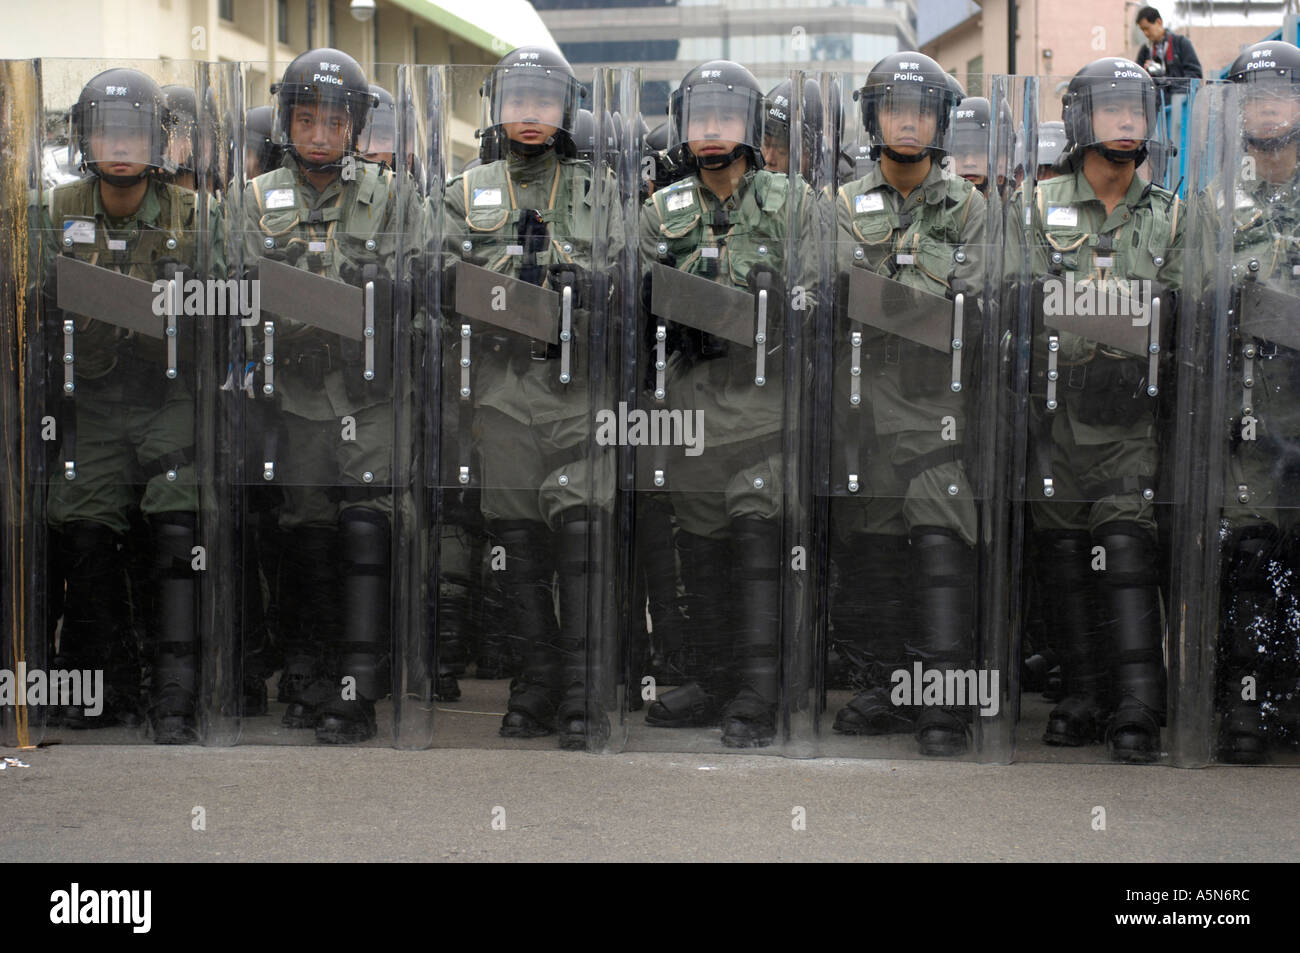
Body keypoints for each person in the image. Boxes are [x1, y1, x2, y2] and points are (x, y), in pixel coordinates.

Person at [441, 46, 623, 749]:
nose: (529, 114)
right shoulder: (465, 189)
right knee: (518, 550)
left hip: (577, 389)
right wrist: (504, 275)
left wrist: (572, 274)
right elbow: (437, 278)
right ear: (496, 107)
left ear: (565, 110)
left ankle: (582, 691)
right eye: (517, 100)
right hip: (504, 388)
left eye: (543, 101)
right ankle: (534, 684)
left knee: (580, 540)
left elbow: (625, 275)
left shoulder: (595, 189)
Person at [240, 48, 422, 743]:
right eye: (307, 120)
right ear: (287, 122)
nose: (320, 135)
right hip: (290, 394)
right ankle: (309, 672)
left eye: (334, 122)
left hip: (368, 394)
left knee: (367, 526)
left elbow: (428, 291)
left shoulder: (395, 195)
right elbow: (224, 293)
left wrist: (382, 290)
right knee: (304, 533)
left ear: (357, 127)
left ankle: (360, 686)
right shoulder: (252, 198)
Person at [638, 60, 818, 748]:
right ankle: (715, 683)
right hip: (692, 407)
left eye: (726, 118)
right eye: (699, 119)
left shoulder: (794, 201)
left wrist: (775, 304)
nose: (712, 133)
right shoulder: (661, 209)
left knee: (756, 546)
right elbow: (638, 297)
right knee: (703, 553)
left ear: (749, 126)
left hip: (765, 406)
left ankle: (759, 692)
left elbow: (822, 300)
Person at [39, 67, 222, 742]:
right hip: (90, 400)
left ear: (159, 141)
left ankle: (178, 692)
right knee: (82, 525)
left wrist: (191, 300)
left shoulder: (196, 215)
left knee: (177, 521)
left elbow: (239, 306)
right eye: (106, 132)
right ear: (83, 139)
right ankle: (99, 684)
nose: (120, 146)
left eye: (134, 132)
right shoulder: (54, 210)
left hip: (168, 397)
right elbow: (25, 298)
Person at [1026, 57, 1182, 763]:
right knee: (1063, 555)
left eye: (1138, 110)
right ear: (1080, 121)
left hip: (1130, 421)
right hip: (1056, 417)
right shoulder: (1035, 207)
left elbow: (1183, 322)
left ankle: (1139, 702)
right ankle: (1083, 693)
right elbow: (1016, 307)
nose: (1128, 122)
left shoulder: (1174, 218)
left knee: (1124, 547)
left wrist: (1085, 315)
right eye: (1113, 109)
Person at [828, 51, 985, 757]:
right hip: (864, 403)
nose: (910, 122)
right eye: (896, 108)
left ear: (941, 122)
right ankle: (893, 687)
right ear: (875, 118)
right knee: (877, 549)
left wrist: (886, 302)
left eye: (922, 110)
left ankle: (943, 697)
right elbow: (830, 297)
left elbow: (974, 306)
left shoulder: (970, 207)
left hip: (935, 400)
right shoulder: (842, 203)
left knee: (941, 541)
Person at [1211, 41, 1300, 762]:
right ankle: (1244, 701)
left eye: (1281, 95)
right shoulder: (1216, 204)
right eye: (1256, 97)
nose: (1268, 109)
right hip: (1246, 413)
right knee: (1248, 556)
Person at [1135, 7, 1202, 97]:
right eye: (1142, 30)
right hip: (1153, 104)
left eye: (1147, 28)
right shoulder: (1145, 50)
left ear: (1159, 22)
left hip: (1178, 103)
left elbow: (1195, 76)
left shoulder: (1180, 43)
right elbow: (1136, 78)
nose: (1145, 33)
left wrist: (1170, 85)